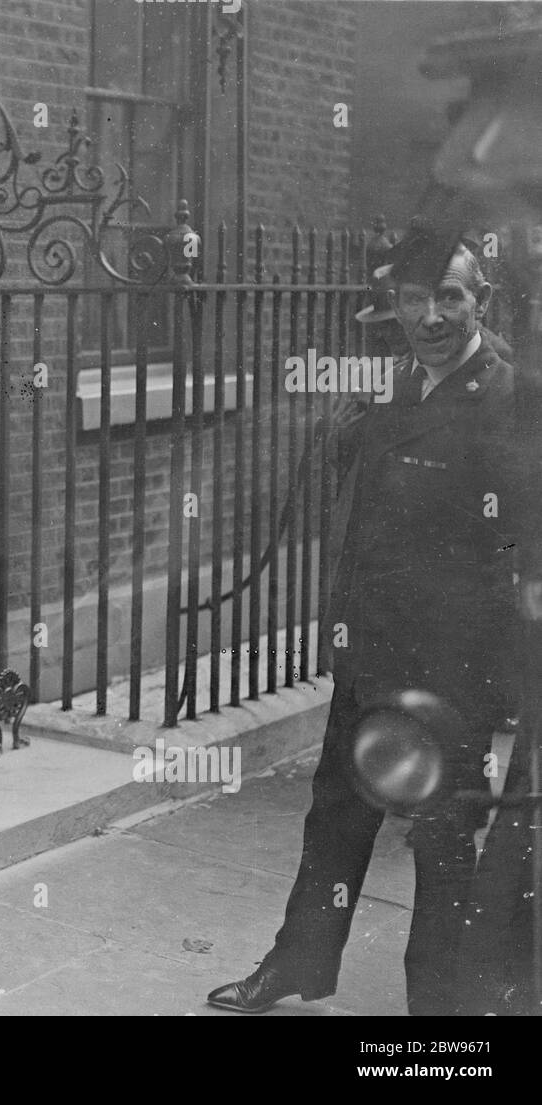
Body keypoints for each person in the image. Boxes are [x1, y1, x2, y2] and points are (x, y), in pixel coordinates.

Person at [208, 222, 540, 1015]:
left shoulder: (507, 396)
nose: (431, 317)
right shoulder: (390, 383)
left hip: (448, 671)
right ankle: (298, 964)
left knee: (442, 841)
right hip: (371, 647)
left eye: (449, 298)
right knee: (336, 819)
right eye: (415, 299)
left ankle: (438, 1009)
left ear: (481, 300)